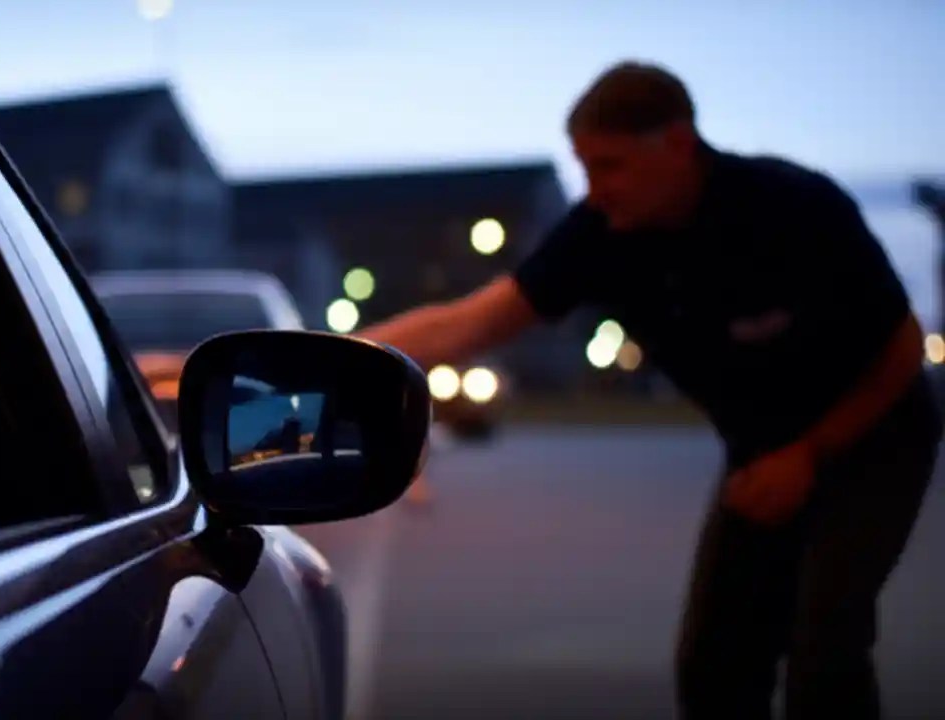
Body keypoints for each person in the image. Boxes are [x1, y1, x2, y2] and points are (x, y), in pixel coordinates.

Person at [359, 60, 940, 719]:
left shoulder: (793, 208)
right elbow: (469, 323)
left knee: (825, 649)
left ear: (679, 145)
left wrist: (808, 455)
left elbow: (901, 348)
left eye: (611, 165)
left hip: (874, 436)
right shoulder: (601, 231)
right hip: (761, 456)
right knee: (714, 663)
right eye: (583, 167)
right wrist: (337, 355)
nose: (595, 189)